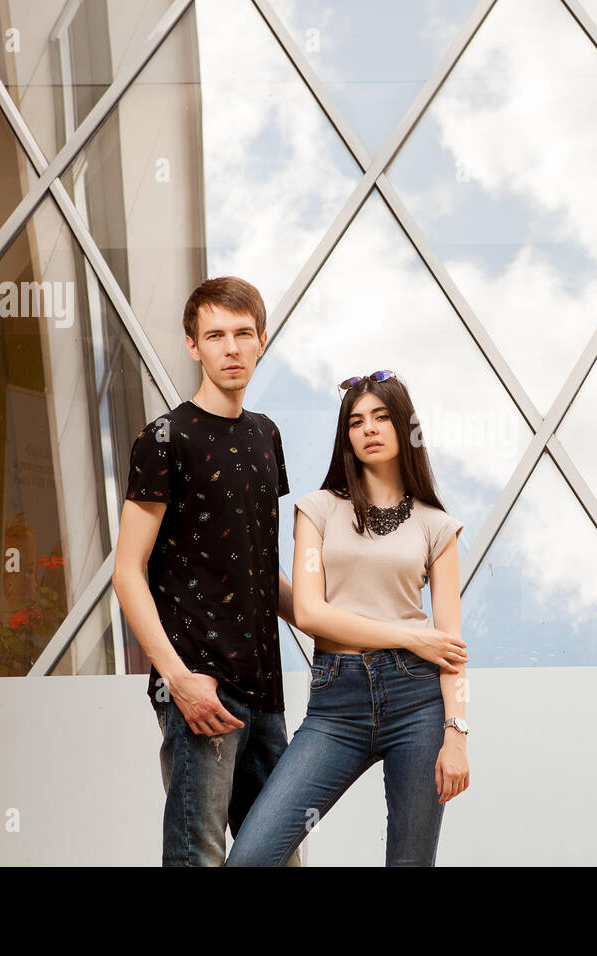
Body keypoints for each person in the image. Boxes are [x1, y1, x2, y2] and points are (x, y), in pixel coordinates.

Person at [226, 370, 471, 867]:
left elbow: (451, 647)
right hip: (337, 705)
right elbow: (311, 612)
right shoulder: (317, 511)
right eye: (357, 421)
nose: (370, 429)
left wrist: (457, 735)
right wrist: (409, 636)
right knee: (252, 856)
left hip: (417, 704)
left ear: (405, 428)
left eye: (382, 417)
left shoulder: (438, 526)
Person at [113, 276, 297, 866]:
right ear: (193, 345)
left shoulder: (267, 436)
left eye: (244, 333)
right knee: (198, 857)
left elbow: (260, 574)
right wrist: (179, 678)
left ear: (262, 340)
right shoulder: (164, 438)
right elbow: (126, 571)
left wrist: (342, 631)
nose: (232, 347)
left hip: (266, 694)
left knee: (280, 857)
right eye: (215, 335)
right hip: (200, 687)